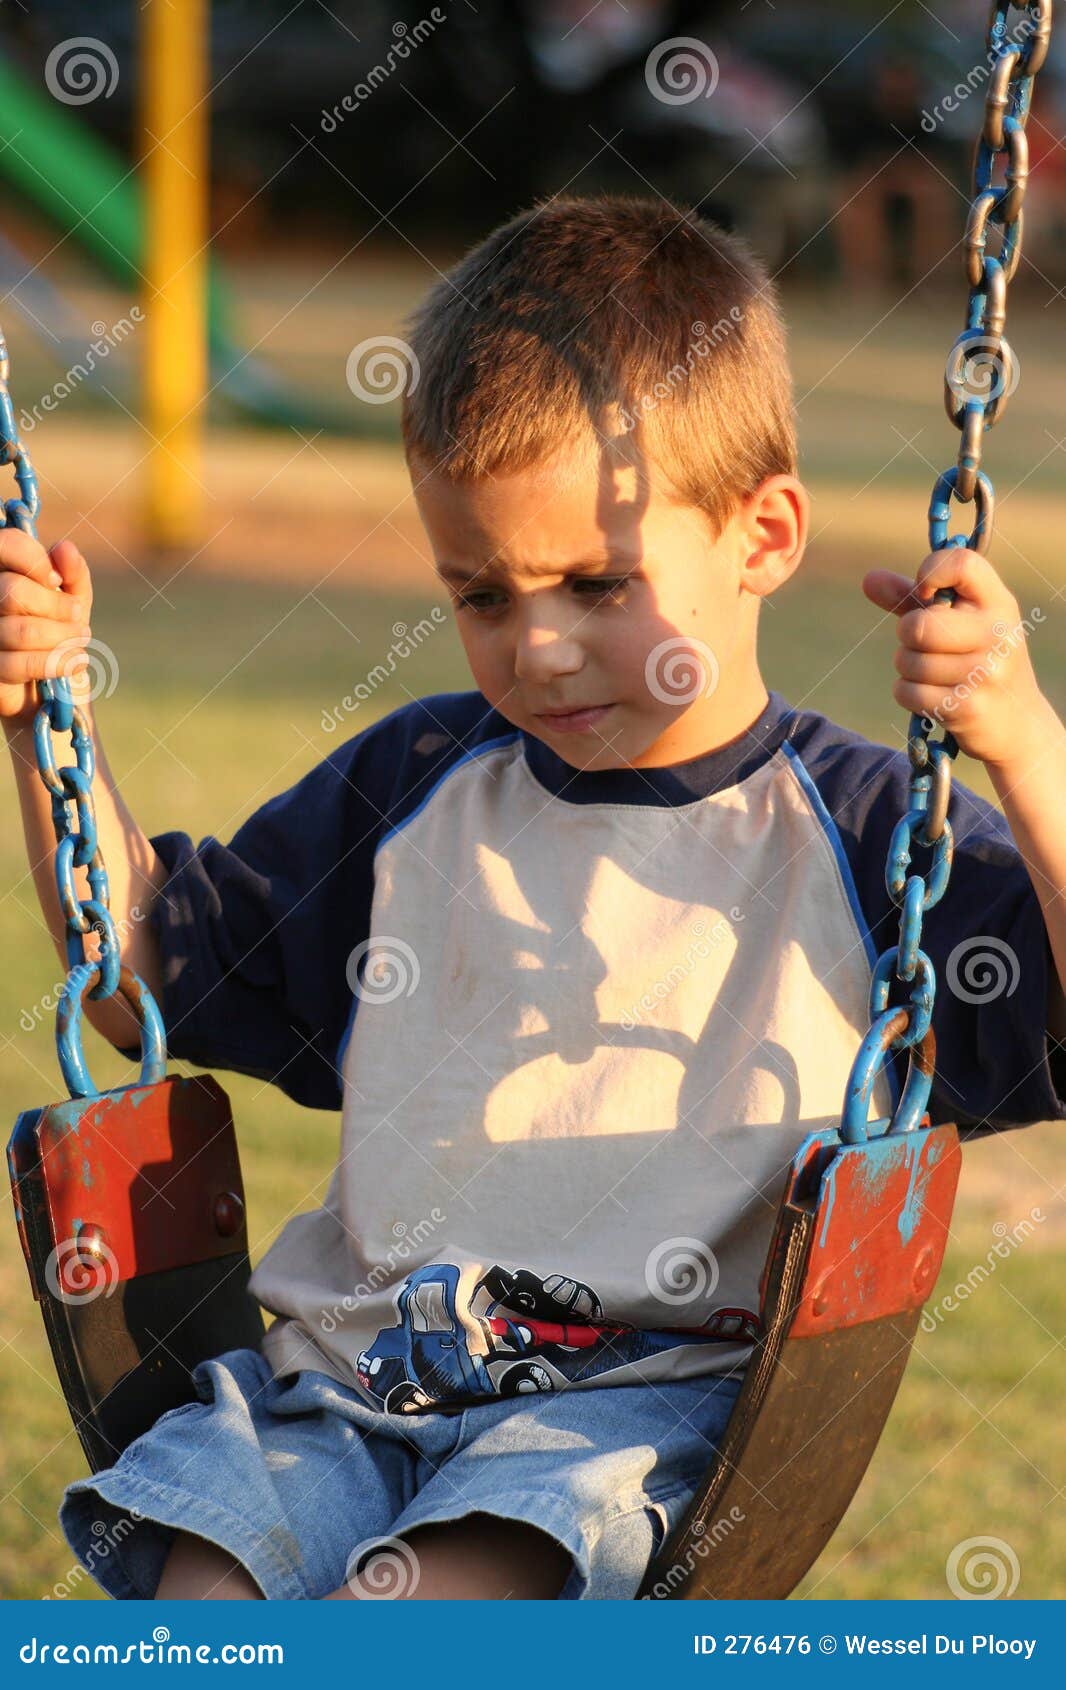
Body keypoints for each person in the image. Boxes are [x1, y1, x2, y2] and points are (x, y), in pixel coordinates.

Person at [3, 195, 1065, 1602]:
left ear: (762, 534)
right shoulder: (415, 786)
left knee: (428, 1609)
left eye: (595, 583)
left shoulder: (862, 834)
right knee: (201, 1603)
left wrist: (1022, 742)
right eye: (483, 596)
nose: (542, 646)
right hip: (344, 1386)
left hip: (620, 1425)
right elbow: (145, 971)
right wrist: (42, 719)